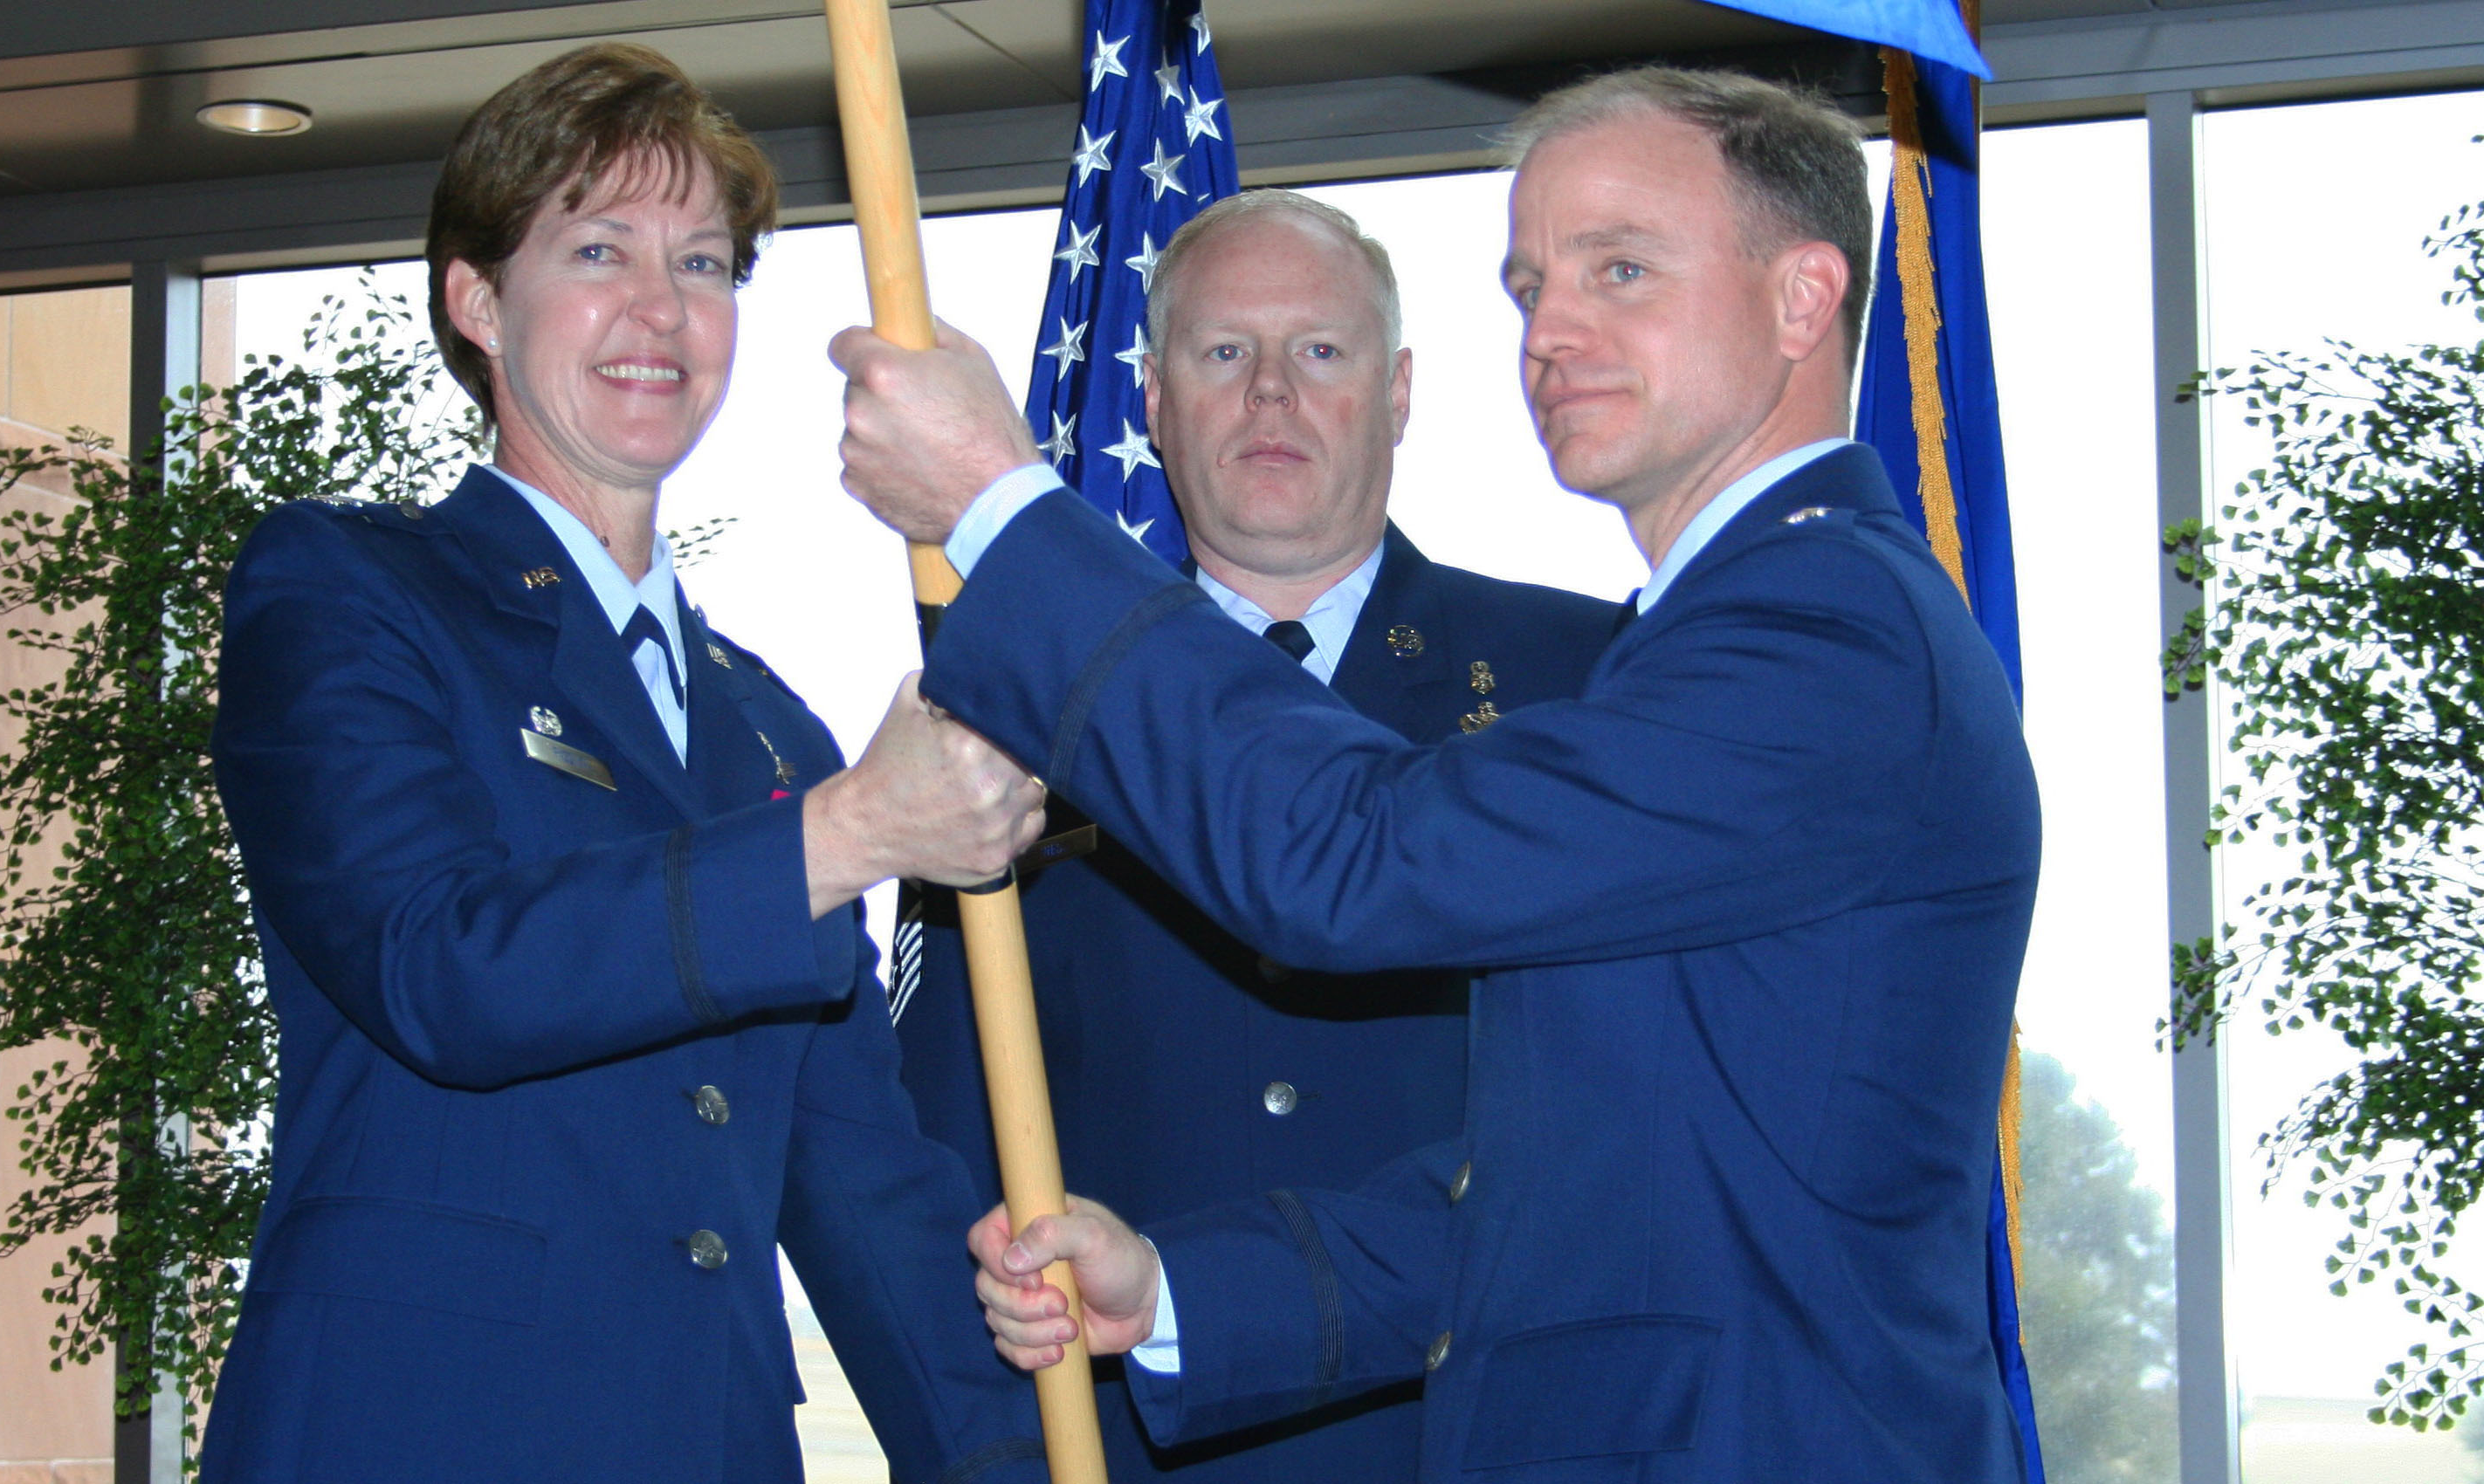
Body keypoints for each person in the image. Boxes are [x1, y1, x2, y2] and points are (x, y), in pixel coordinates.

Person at [830, 66, 2040, 1483]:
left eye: (1622, 270)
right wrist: (1176, 1293)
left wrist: (998, 500)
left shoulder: (1824, 641)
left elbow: (1349, 858)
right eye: (1531, 285)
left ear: (1802, 298)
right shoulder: (1724, 643)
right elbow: (1577, 1184)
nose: (1554, 332)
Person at [200, 44, 1051, 1483]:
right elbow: (439, 967)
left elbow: (858, 1179)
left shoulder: (770, 733)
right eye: (600, 249)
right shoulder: (345, 594)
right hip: (406, 1432)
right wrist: (846, 836)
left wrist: (1019, 1458)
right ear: (477, 300)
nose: (661, 311)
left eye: (706, 265)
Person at [893, 190, 1623, 1484]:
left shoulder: (1586, 683)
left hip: (1493, 1442)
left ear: (1399, 394)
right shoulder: (1004, 718)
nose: (1272, 395)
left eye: (1322, 353)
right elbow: (934, 1154)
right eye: (1224, 353)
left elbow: (1623, 1128)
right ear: (1155, 403)